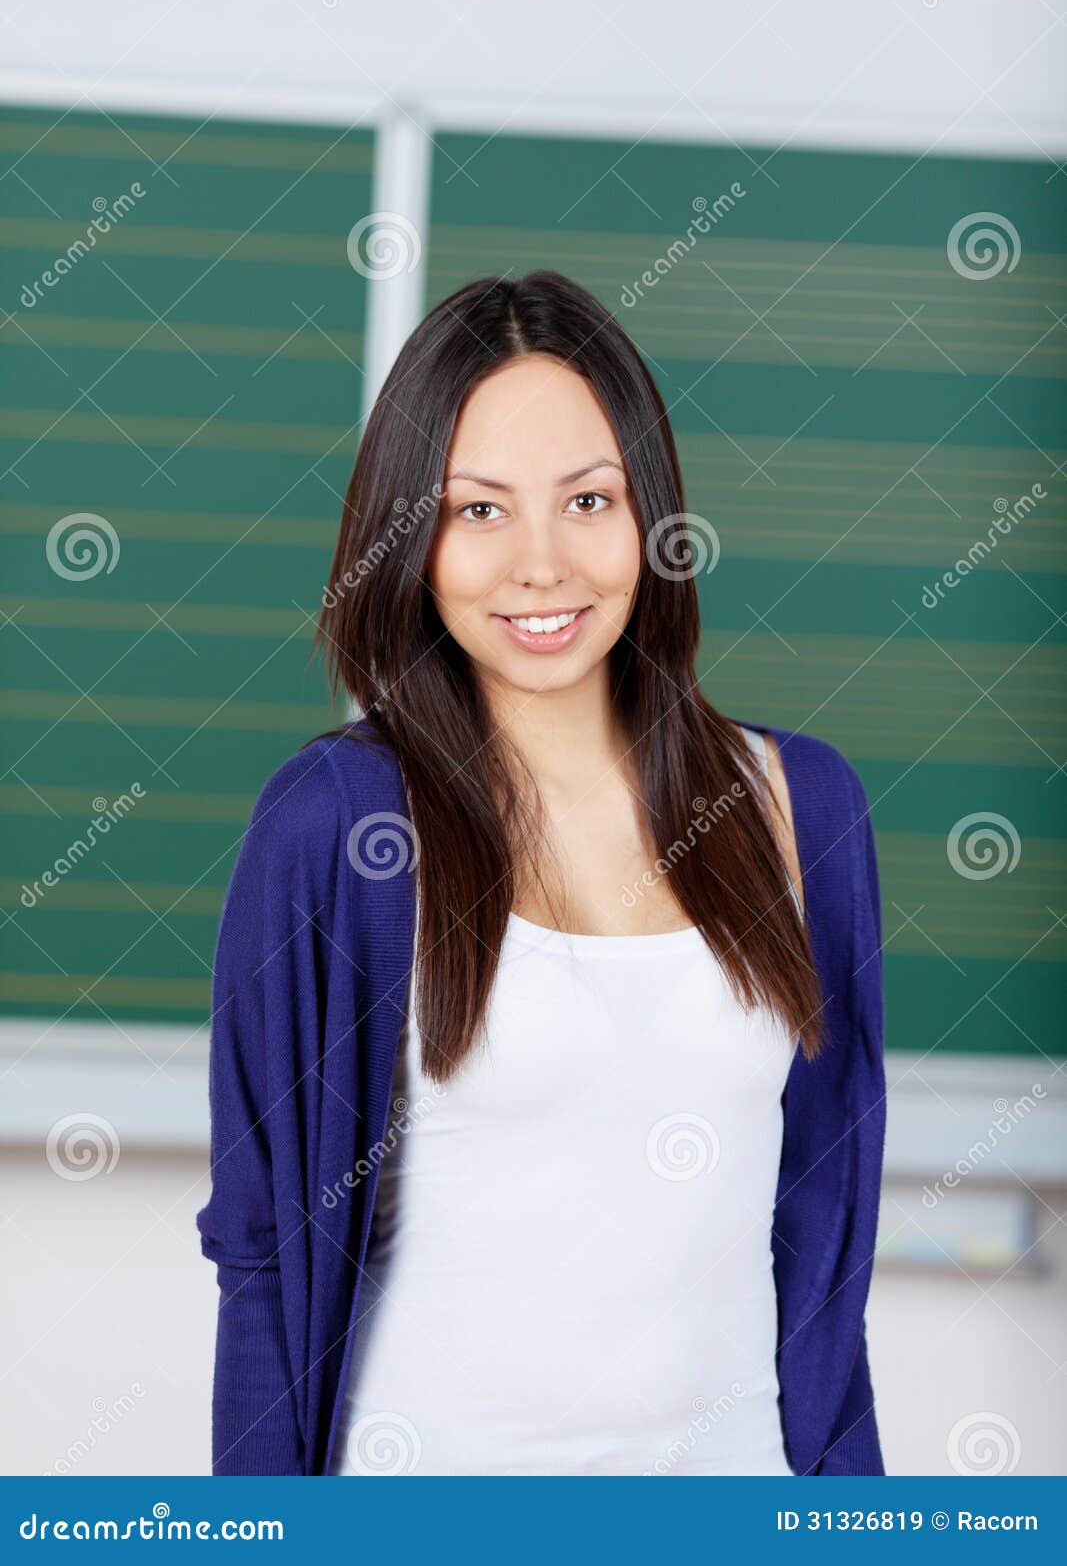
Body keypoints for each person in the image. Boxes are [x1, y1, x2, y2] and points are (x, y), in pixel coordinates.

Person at [196, 270, 887, 1477]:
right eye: (477, 511)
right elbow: (263, 1262)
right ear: (407, 537)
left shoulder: (799, 807)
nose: (541, 564)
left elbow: (825, 1247)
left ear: (649, 515)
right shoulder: (337, 827)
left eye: (587, 499)